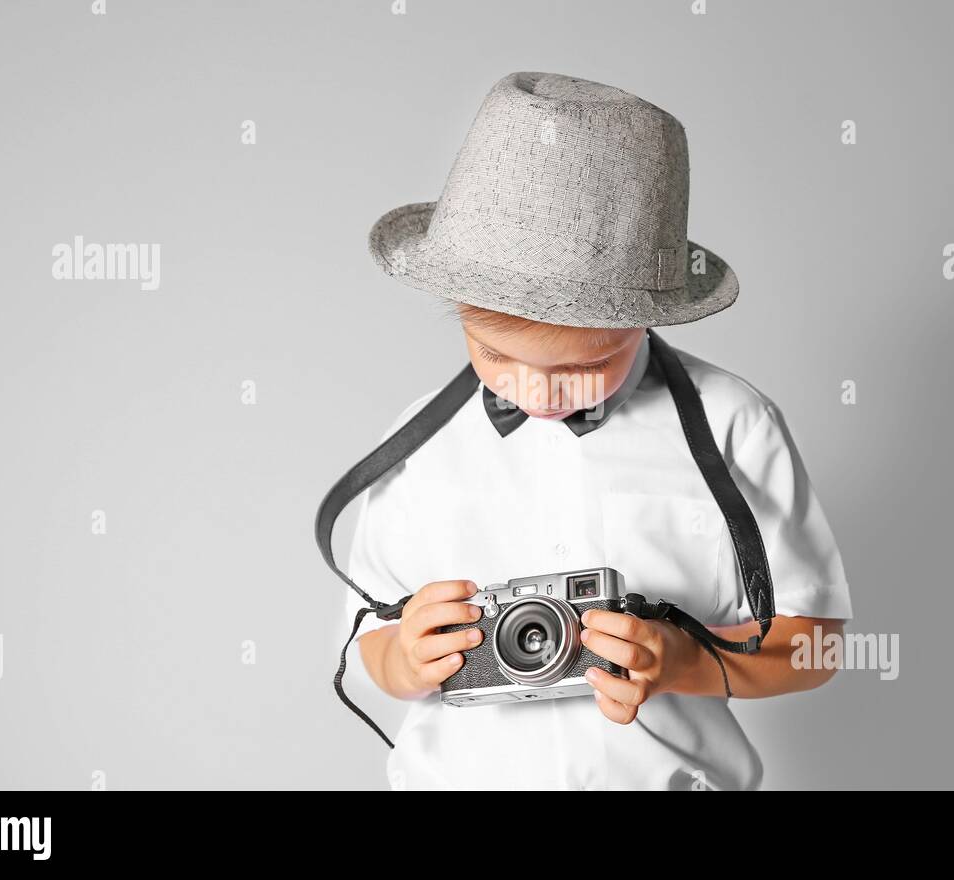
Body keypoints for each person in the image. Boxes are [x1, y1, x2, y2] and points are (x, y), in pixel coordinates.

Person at [342, 72, 852, 790]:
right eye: (495, 356)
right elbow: (368, 643)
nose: (535, 394)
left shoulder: (734, 423)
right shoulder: (415, 446)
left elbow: (816, 648)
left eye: (586, 364)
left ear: (652, 316)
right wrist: (405, 659)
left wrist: (683, 661)